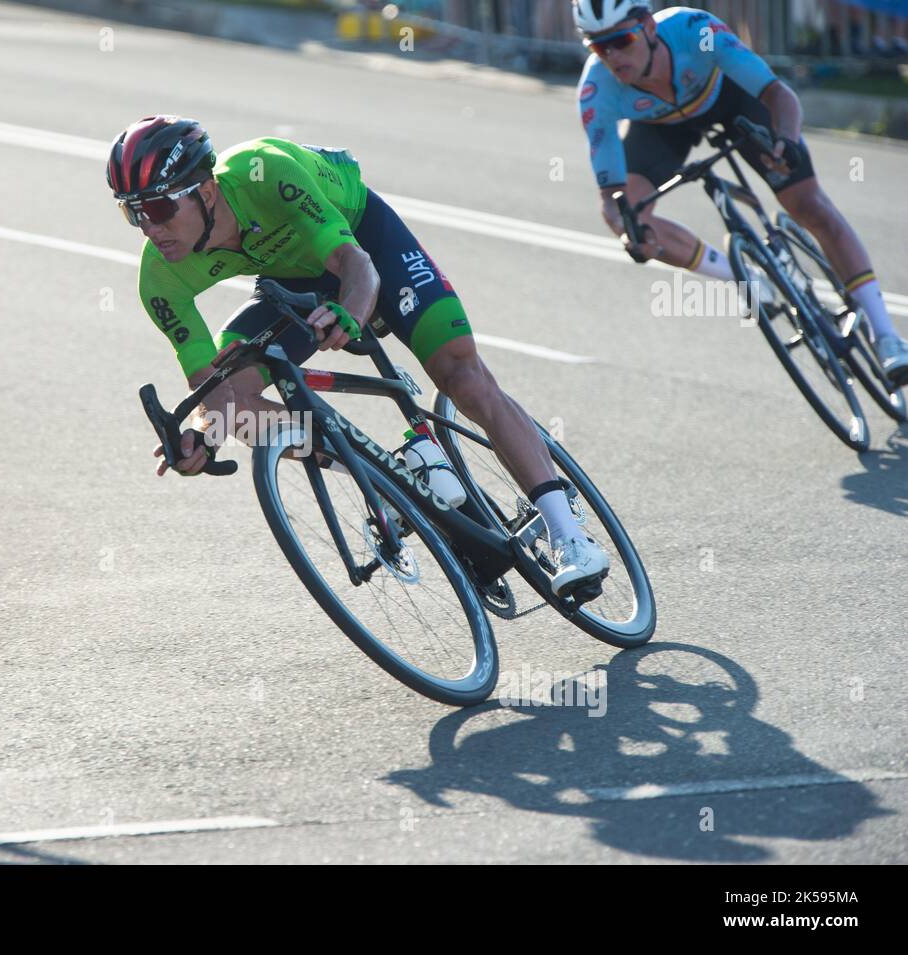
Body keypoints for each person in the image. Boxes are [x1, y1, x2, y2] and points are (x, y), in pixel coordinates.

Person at [107, 115, 608, 597]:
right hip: (291, 281)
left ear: (208, 191)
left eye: (156, 209)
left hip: (360, 240)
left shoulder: (266, 171)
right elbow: (209, 388)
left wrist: (350, 312)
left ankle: (570, 536)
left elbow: (355, 266)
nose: (148, 228)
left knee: (461, 374)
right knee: (228, 406)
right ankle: (390, 477)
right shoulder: (159, 280)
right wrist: (202, 435)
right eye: (132, 213)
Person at [573, 0, 908, 387]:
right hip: (662, 128)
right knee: (629, 217)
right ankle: (740, 276)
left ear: (648, 26)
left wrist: (787, 141)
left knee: (808, 203)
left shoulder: (693, 30)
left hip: (733, 100)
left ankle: (887, 336)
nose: (613, 56)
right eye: (599, 47)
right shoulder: (596, 90)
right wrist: (631, 231)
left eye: (621, 39)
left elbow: (778, 94)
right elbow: (612, 197)